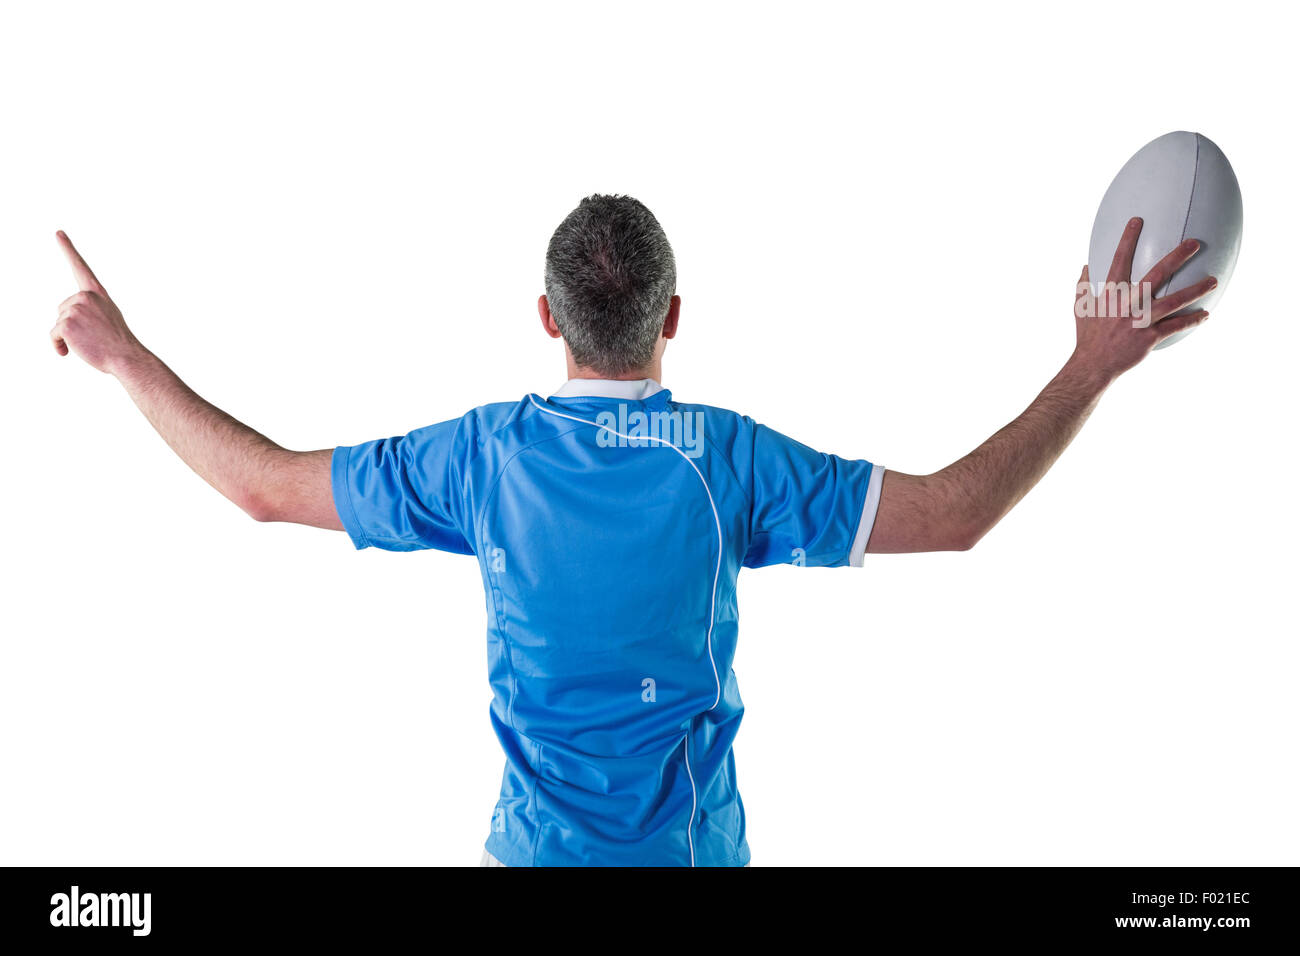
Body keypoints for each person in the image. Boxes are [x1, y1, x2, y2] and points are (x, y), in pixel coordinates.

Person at [49, 195, 1215, 867]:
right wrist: (1089, 364)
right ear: (672, 316)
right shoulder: (726, 461)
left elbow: (260, 485)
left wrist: (123, 357)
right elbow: (957, 514)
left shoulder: (481, 458)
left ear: (546, 318)